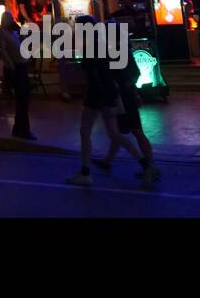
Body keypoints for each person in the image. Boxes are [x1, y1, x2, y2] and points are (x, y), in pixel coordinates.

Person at [66, 17, 158, 187]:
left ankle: (86, 172)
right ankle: (145, 164)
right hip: (110, 94)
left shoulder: (91, 46)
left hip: (97, 94)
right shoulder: (105, 45)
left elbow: (89, 73)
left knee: (86, 131)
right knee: (115, 134)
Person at [97, 33, 151, 171]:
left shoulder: (112, 53)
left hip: (122, 97)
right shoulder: (124, 50)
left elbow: (112, 76)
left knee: (130, 131)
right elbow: (136, 73)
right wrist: (132, 88)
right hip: (127, 94)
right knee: (120, 132)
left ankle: (149, 166)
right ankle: (108, 161)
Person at [0, 12, 34, 140]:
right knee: (22, 99)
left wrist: (21, 31)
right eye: (10, 18)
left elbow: (24, 43)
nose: (12, 20)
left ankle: (20, 128)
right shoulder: (1, 33)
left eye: (12, 18)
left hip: (22, 66)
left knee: (24, 99)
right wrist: (12, 67)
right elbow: (2, 52)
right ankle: (22, 129)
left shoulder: (13, 32)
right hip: (16, 68)